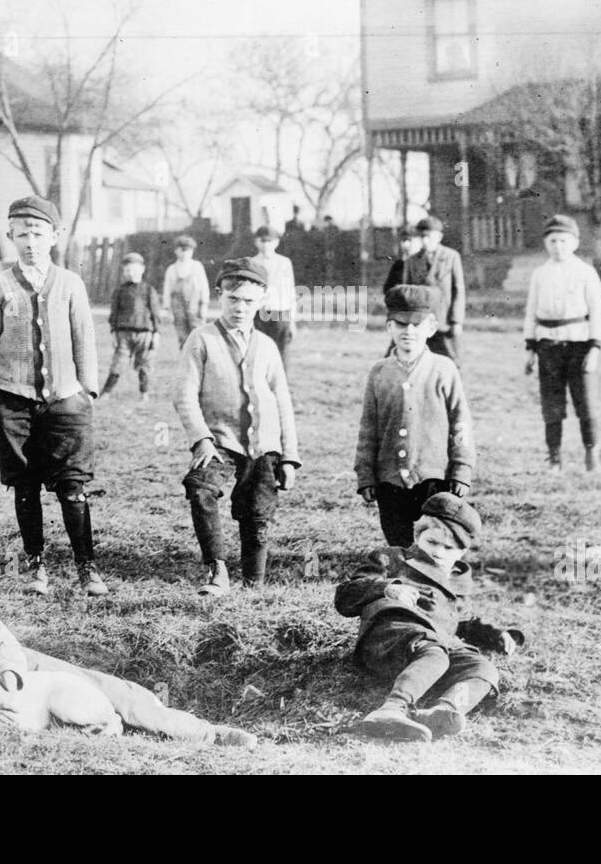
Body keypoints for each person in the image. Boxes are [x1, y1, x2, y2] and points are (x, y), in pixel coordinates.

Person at [0, 503, 257, 747]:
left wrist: (11, 676)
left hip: (0, 675)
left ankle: (205, 733)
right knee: (71, 710)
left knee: (103, 685)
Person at [0, 196, 105, 598]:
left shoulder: (69, 283)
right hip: (12, 400)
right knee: (26, 486)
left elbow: (85, 338)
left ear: (54, 235)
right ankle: (36, 567)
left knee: (72, 487)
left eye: (38, 233)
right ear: (10, 236)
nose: (30, 242)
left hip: (66, 400)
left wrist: (87, 391)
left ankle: (87, 567)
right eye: (21, 234)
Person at [334, 494, 521, 742]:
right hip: (391, 639)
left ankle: (443, 711)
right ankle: (392, 708)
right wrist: (386, 587)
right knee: (434, 653)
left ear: (462, 552)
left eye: (448, 548)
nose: (438, 553)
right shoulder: (391, 558)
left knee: (483, 668)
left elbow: (453, 621)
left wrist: (493, 635)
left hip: (435, 644)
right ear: (417, 536)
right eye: (431, 542)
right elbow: (346, 595)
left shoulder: (458, 581)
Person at [173, 258, 299, 595]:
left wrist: (289, 456)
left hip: (264, 447)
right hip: (220, 441)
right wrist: (201, 438)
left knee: (257, 515)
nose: (240, 308)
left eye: (248, 301)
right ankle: (217, 571)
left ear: (261, 301)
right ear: (219, 296)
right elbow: (184, 394)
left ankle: (253, 585)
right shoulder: (202, 339)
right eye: (233, 299)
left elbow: (282, 400)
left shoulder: (268, 346)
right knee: (200, 488)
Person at [355, 285, 474, 547]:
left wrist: (461, 470)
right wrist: (365, 474)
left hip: (433, 478)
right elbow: (368, 427)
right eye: (400, 324)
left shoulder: (443, 369)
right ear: (389, 327)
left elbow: (460, 423)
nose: (408, 331)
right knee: (398, 544)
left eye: (416, 324)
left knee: (431, 542)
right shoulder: (380, 372)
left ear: (431, 328)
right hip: (390, 479)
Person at [523, 214, 601, 473]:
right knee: (552, 405)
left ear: (575, 242)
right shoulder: (539, 274)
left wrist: (594, 348)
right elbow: (531, 312)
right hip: (548, 346)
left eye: (563, 240)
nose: (558, 246)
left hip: (579, 345)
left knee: (585, 402)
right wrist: (530, 349)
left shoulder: (585, 272)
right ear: (546, 243)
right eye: (552, 241)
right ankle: (554, 458)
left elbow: (598, 312)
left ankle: (592, 456)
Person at [400, 216, 465, 366]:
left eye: (428, 237)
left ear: (439, 237)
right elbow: (408, 295)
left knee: (451, 364)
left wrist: (457, 321)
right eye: (422, 237)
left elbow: (458, 291)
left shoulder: (451, 257)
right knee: (419, 365)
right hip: (420, 323)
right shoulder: (411, 261)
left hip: (444, 323)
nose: (424, 241)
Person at [100, 252, 160, 401]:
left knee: (144, 364)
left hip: (145, 334)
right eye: (127, 270)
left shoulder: (148, 290)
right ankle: (106, 392)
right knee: (118, 362)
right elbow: (114, 314)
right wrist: (114, 333)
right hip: (124, 334)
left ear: (142, 269)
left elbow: (155, 313)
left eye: (133, 269)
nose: (130, 273)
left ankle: (144, 394)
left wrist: (156, 333)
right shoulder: (120, 291)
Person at [251, 225, 297, 370]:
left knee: (281, 352)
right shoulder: (252, 263)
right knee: (259, 351)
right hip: (259, 313)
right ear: (256, 242)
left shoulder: (284, 262)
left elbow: (290, 291)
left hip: (279, 312)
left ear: (276, 242)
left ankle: (281, 388)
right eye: (262, 241)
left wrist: (292, 320)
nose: (266, 245)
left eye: (269, 241)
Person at [162, 235, 210, 349]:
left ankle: (198, 360)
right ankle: (185, 361)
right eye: (181, 250)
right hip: (178, 307)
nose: (184, 254)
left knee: (197, 333)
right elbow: (167, 290)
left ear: (192, 251)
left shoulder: (197, 266)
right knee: (182, 335)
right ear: (176, 251)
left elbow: (204, 287)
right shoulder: (172, 269)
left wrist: (204, 306)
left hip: (195, 306)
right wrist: (168, 310)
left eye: (188, 251)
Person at [382, 228, 421, 296]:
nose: (405, 245)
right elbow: (387, 289)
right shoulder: (399, 264)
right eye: (403, 241)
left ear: (419, 242)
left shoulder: (426, 262)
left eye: (409, 240)